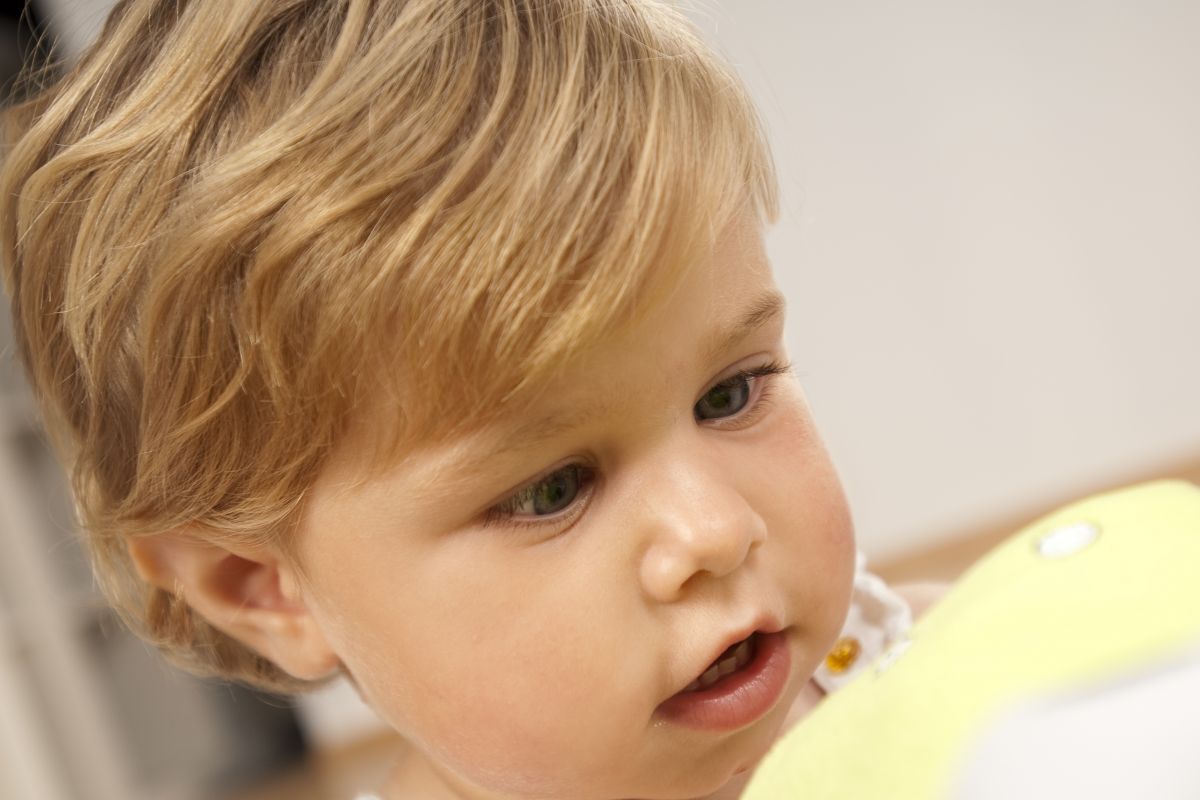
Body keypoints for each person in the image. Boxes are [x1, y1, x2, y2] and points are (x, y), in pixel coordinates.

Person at [0, 1, 943, 797]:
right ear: (269, 590)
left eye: (730, 392)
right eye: (552, 489)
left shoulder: (952, 663)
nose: (714, 532)